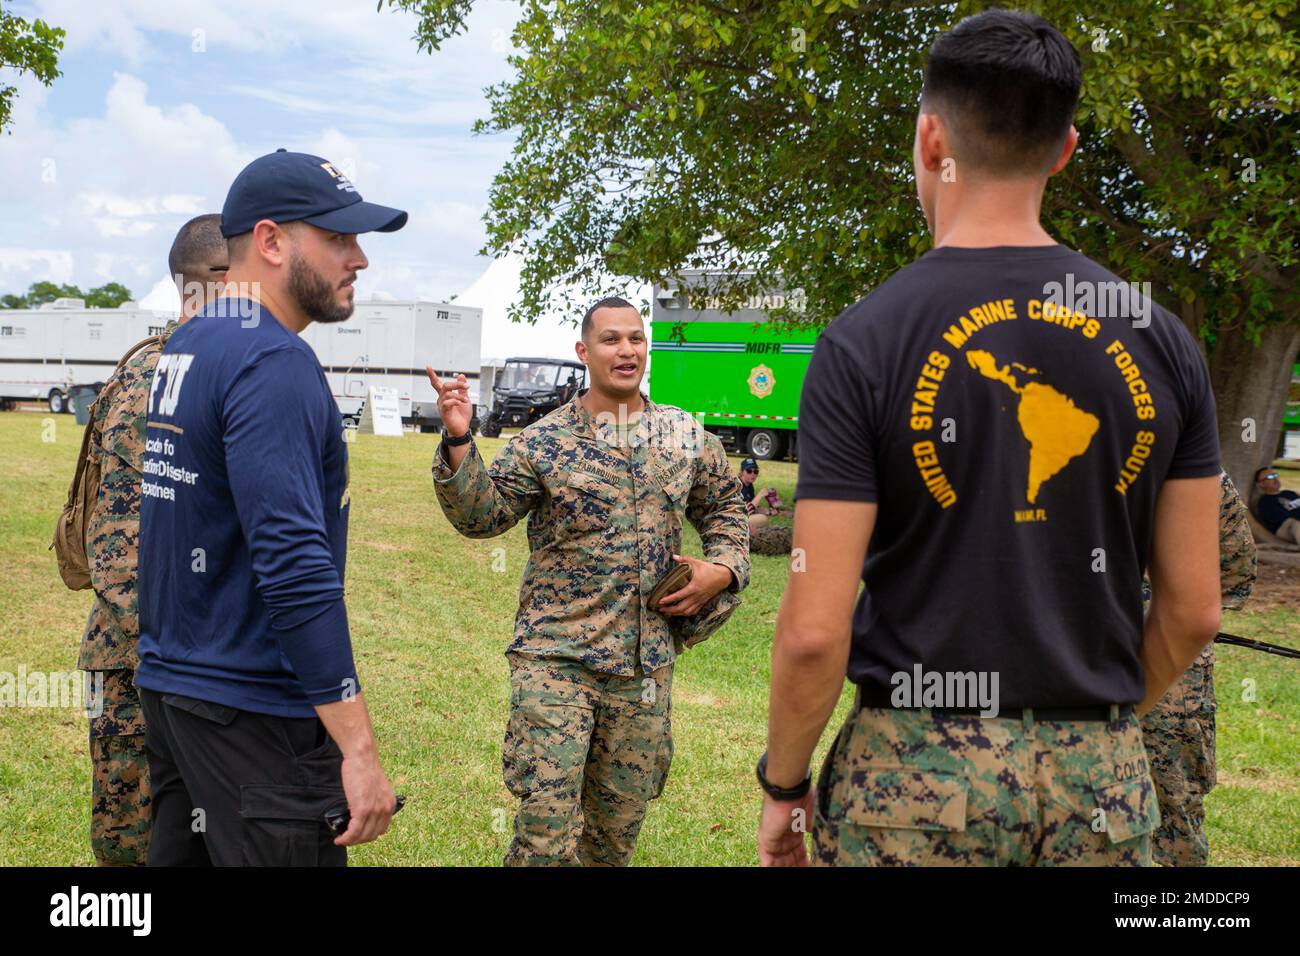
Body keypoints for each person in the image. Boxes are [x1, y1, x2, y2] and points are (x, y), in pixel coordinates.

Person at [758, 10, 1222, 867]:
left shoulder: (865, 338)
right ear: (1065, 149)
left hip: (912, 788)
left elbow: (816, 631)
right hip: (1105, 797)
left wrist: (785, 788)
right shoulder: (1159, 337)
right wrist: (1095, 732)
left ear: (932, 138)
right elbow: (1194, 610)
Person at [136, 150, 406, 866]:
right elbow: (291, 564)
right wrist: (358, 746)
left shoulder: (192, 342)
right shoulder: (272, 361)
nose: (360, 260)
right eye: (340, 238)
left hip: (177, 693)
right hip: (252, 714)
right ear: (272, 241)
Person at [430, 296, 749, 866]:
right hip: (557, 662)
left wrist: (722, 569)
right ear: (584, 351)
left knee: (611, 842)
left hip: (643, 671)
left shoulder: (684, 435)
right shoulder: (543, 441)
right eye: (611, 340)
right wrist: (459, 440)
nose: (627, 351)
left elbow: (726, 505)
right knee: (546, 838)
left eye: (636, 339)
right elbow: (483, 515)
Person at [77, 214, 228, 866]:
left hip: (173, 662)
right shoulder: (159, 379)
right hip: (142, 665)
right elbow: (118, 551)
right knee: (135, 854)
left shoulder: (189, 366)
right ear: (219, 281)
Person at [1141, 471, 1255, 867]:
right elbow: (1233, 571)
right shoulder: (1189, 462)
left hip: (1063, 649)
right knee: (1175, 802)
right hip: (1173, 660)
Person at [1252, 467, 1300, 544]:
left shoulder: (1289, 493)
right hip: (1287, 528)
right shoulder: (1265, 502)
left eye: (1275, 475)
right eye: (1270, 477)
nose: (1275, 479)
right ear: (1261, 484)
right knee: (1294, 523)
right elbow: (1282, 519)